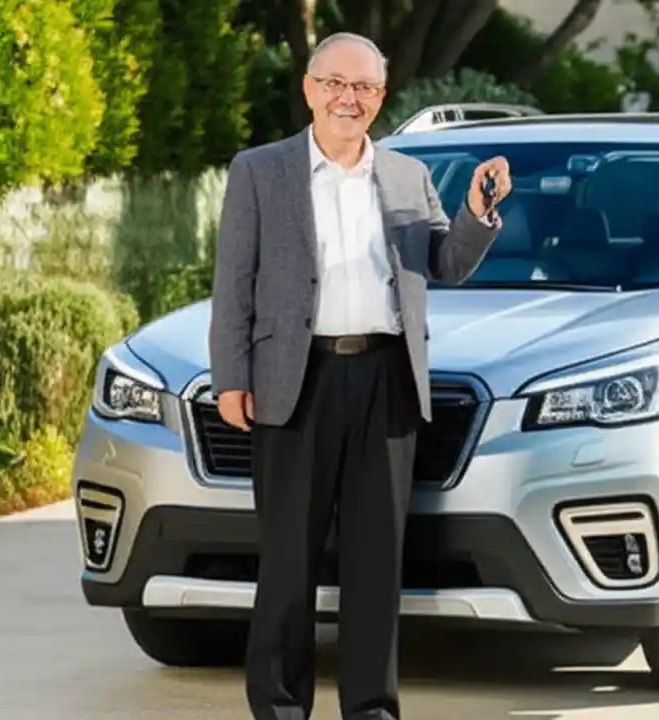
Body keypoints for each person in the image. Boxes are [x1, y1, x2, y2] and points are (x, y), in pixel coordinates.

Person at [208, 31, 510, 720]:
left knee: (376, 565)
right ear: (310, 89)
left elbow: (446, 264)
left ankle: (372, 708)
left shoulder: (408, 176)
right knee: (287, 561)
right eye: (336, 84)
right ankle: (281, 707)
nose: (350, 98)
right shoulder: (259, 171)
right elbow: (234, 285)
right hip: (296, 383)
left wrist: (476, 211)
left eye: (365, 88)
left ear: (380, 98)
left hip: (385, 383)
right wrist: (231, 377)